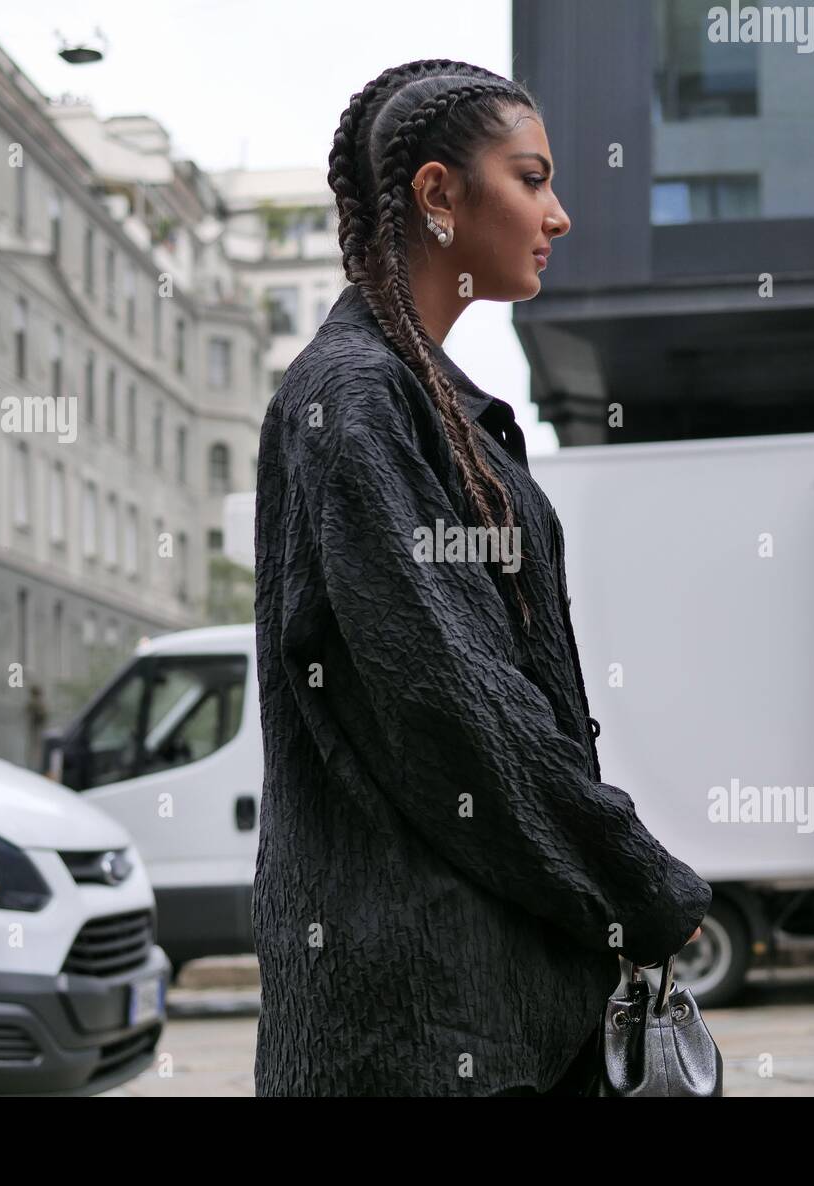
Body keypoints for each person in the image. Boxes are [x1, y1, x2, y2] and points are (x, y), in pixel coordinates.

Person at [251, 59, 712, 1098]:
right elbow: (451, 698)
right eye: (531, 177)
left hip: (487, 1001)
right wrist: (635, 878)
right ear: (437, 194)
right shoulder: (355, 398)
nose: (558, 213)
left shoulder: (434, 400)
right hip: (419, 1022)